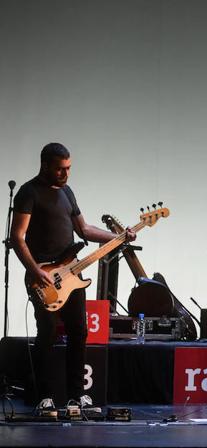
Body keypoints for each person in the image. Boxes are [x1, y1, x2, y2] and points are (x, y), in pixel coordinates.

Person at [11, 143, 135, 415]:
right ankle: (44, 397)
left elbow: (85, 229)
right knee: (47, 333)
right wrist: (35, 270)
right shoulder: (28, 192)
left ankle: (76, 397)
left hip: (73, 275)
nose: (65, 173)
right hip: (43, 275)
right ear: (45, 165)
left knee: (79, 332)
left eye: (68, 168)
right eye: (60, 168)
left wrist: (119, 237)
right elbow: (17, 237)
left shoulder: (67, 192)